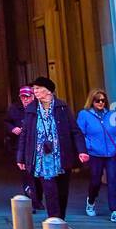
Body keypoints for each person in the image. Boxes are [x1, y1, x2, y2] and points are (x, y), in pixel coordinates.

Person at [17, 76, 88, 219]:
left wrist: (82, 150)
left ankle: (60, 219)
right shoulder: (31, 110)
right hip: (41, 157)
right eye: (34, 88)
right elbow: (25, 135)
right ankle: (53, 220)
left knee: (62, 191)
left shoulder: (62, 107)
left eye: (37, 88)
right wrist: (20, 157)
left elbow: (75, 130)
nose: (34, 91)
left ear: (48, 91)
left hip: (60, 155)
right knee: (50, 191)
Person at [76, 88, 116, 222]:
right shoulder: (84, 114)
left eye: (103, 100)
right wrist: (88, 147)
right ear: (91, 101)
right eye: (97, 100)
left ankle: (114, 211)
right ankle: (91, 200)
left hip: (111, 153)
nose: (100, 103)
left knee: (113, 180)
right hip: (94, 153)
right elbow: (80, 133)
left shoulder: (112, 115)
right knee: (95, 181)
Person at [4, 86, 36, 203]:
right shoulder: (14, 108)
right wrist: (13, 129)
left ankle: (36, 198)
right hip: (19, 145)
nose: (25, 100)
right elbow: (6, 122)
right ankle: (30, 199)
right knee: (26, 173)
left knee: (36, 174)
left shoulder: (38, 108)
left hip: (35, 145)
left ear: (33, 97)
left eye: (27, 97)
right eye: (23, 97)